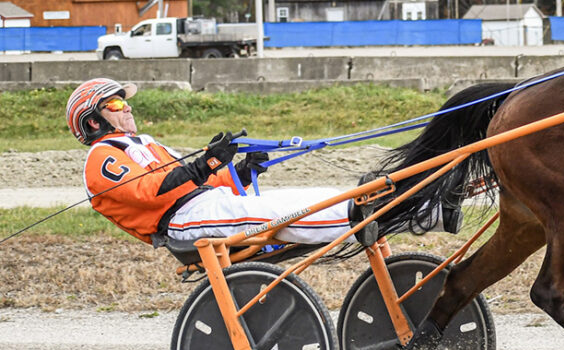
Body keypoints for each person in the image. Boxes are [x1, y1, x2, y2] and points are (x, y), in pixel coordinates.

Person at [67, 78, 456, 248]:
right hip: (182, 223)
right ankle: (368, 216)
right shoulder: (102, 158)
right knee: (295, 211)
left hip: (205, 206)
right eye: (116, 104)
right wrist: (205, 164)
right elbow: (148, 192)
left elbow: (198, 181)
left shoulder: (145, 144)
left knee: (323, 196)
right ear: (94, 120)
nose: (127, 106)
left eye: (125, 100)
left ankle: (432, 211)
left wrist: (240, 170)